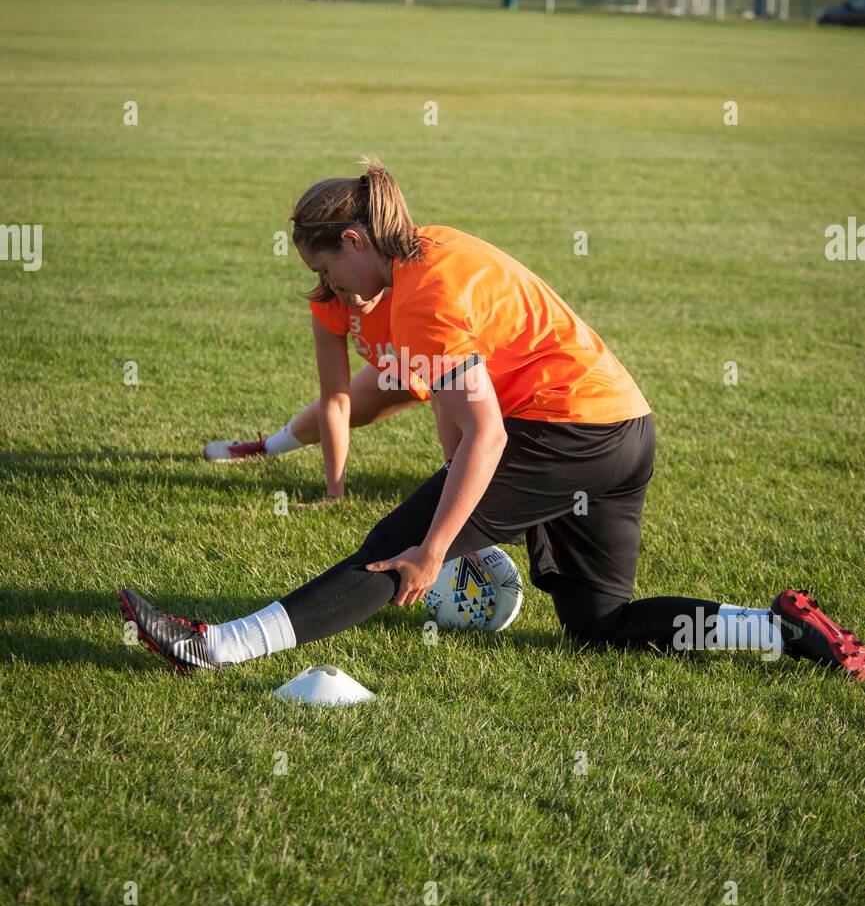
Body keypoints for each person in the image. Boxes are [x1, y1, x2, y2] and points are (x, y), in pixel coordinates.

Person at [119, 159, 865, 683]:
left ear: (353, 240)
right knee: (597, 623)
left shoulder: (422, 296)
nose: (324, 287)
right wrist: (461, 517)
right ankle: (783, 631)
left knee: (396, 548)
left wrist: (434, 547)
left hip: (565, 433)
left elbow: (487, 436)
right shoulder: (428, 250)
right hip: (624, 432)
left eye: (325, 269)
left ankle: (216, 646)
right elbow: (456, 419)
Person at [201, 275, 430, 501]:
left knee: (458, 431)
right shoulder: (332, 296)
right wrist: (334, 494)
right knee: (344, 406)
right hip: (403, 368)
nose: (356, 297)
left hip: (453, 363)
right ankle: (266, 448)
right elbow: (336, 402)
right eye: (340, 285)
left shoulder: (418, 284)